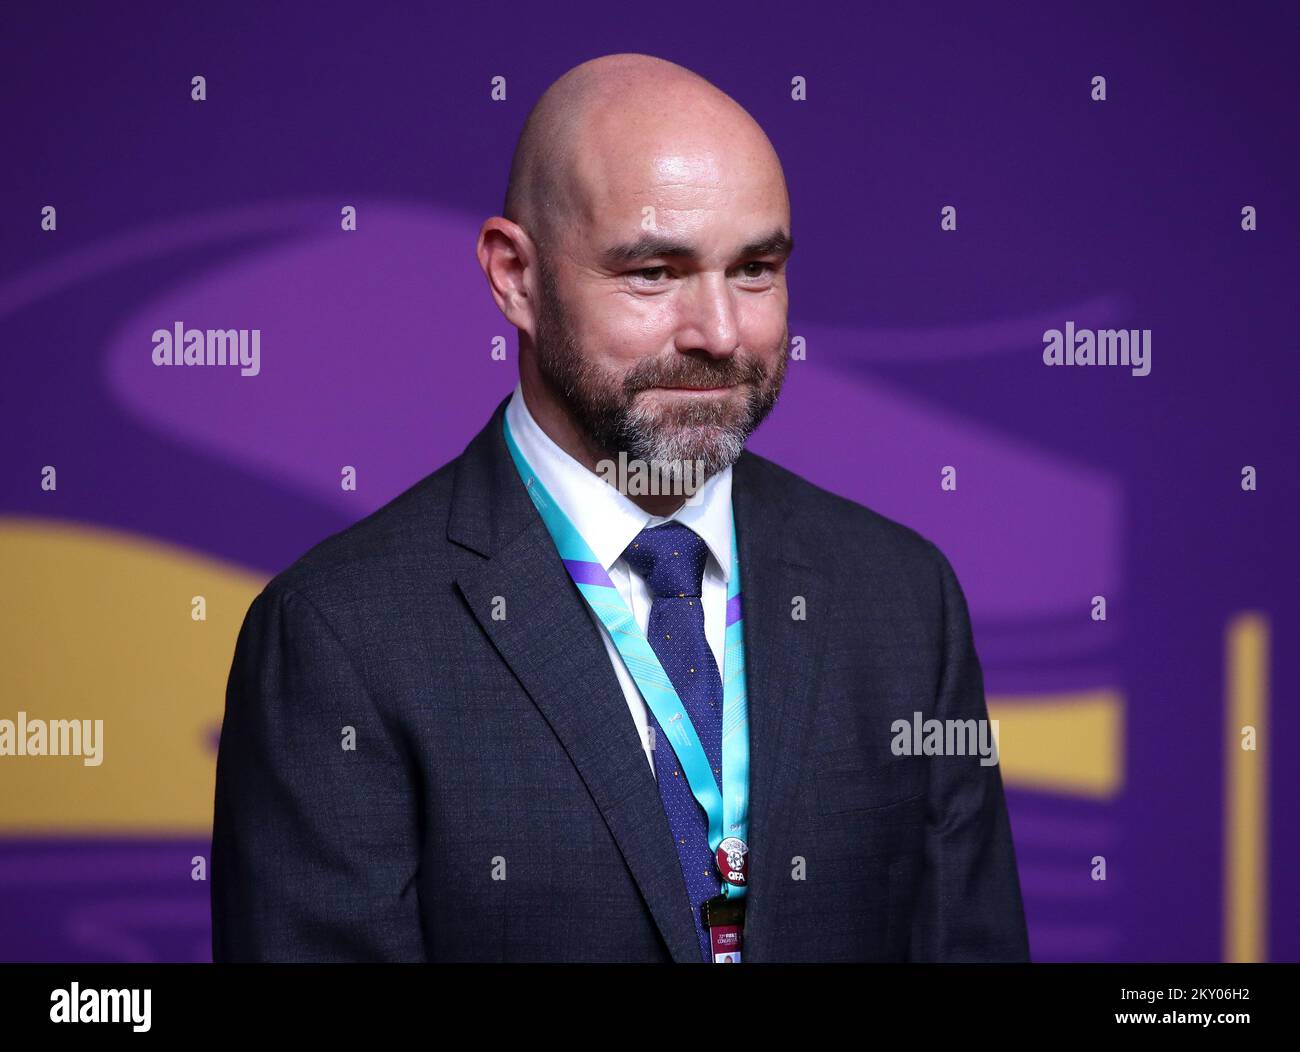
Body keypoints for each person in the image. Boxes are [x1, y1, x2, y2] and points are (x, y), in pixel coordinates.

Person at [211, 52, 1030, 963]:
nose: (719, 334)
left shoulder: (905, 601)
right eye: (653, 273)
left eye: (755, 269)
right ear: (514, 276)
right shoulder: (338, 634)